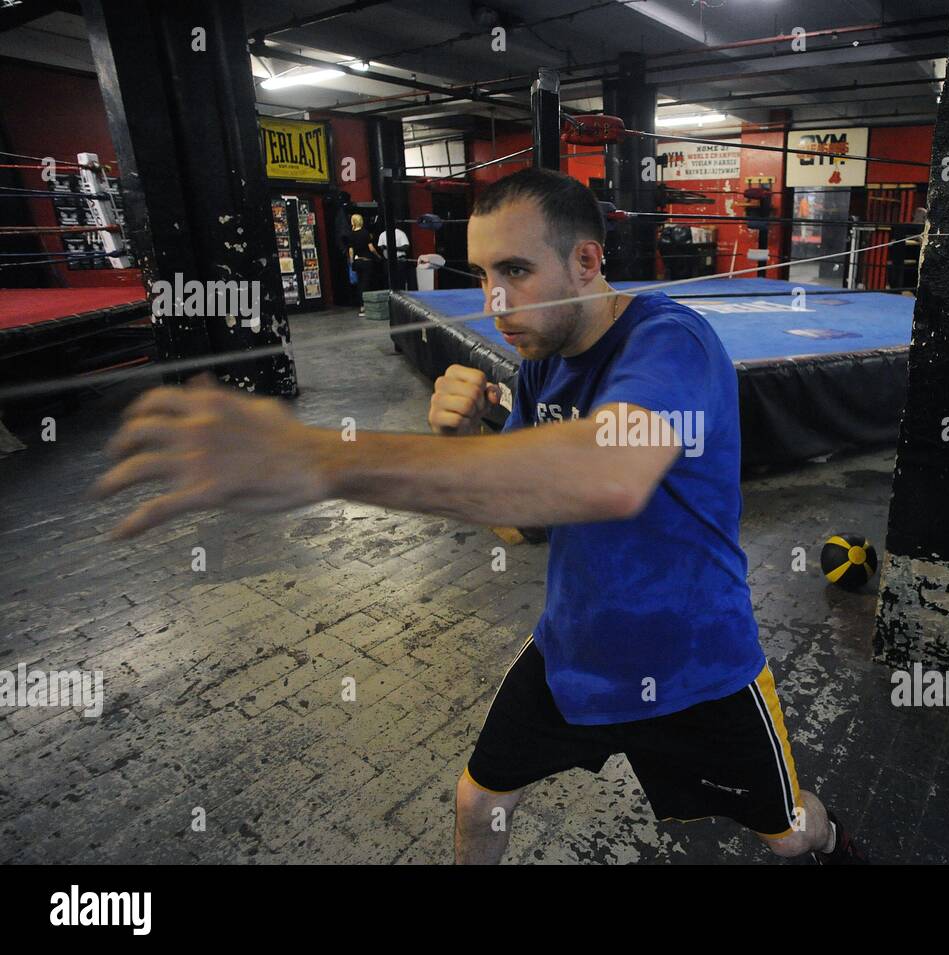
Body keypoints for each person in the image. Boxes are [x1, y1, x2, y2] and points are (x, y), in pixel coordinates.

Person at [91, 168, 867, 866]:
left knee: (790, 831)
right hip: (575, 650)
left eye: (517, 271)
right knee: (480, 798)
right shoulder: (538, 368)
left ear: (588, 261)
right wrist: (469, 440)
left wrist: (319, 460)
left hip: (698, 667)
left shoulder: (671, 341)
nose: (494, 302)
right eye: (485, 274)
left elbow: (609, 475)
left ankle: (838, 844)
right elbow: (524, 527)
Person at [346, 213, 380, 316]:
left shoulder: (350, 234)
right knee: (367, 283)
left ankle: (362, 306)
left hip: (357, 261)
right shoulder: (365, 233)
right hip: (366, 261)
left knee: (360, 283)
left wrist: (352, 262)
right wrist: (378, 255)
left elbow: (351, 250)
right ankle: (368, 306)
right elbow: (371, 248)